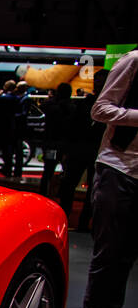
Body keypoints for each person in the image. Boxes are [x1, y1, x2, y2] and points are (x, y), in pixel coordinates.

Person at [81, 50, 138, 308]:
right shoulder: (133, 61)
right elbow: (100, 109)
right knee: (109, 254)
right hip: (119, 168)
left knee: (126, 257)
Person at [59, 68, 107, 230]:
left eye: (101, 83)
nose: (98, 86)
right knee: (68, 184)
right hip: (79, 150)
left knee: (93, 189)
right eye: (97, 82)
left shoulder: (111, 105)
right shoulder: (84, 103)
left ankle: (84, 222)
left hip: (98, 152)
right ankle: (64, 217)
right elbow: (72, 127)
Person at [38, 83, 73, 194]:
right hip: (63, 143)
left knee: (48, 170)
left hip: (52, 143)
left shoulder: (51, 105)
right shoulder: (70, 106)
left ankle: (44, 193)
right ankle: (60, 192)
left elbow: (43, 107)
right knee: (65, 170)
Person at [0, 80, 24, 180]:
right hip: (9, 129)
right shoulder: (16, 99)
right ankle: (8, 172)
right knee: (8, 153)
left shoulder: (1, 98)